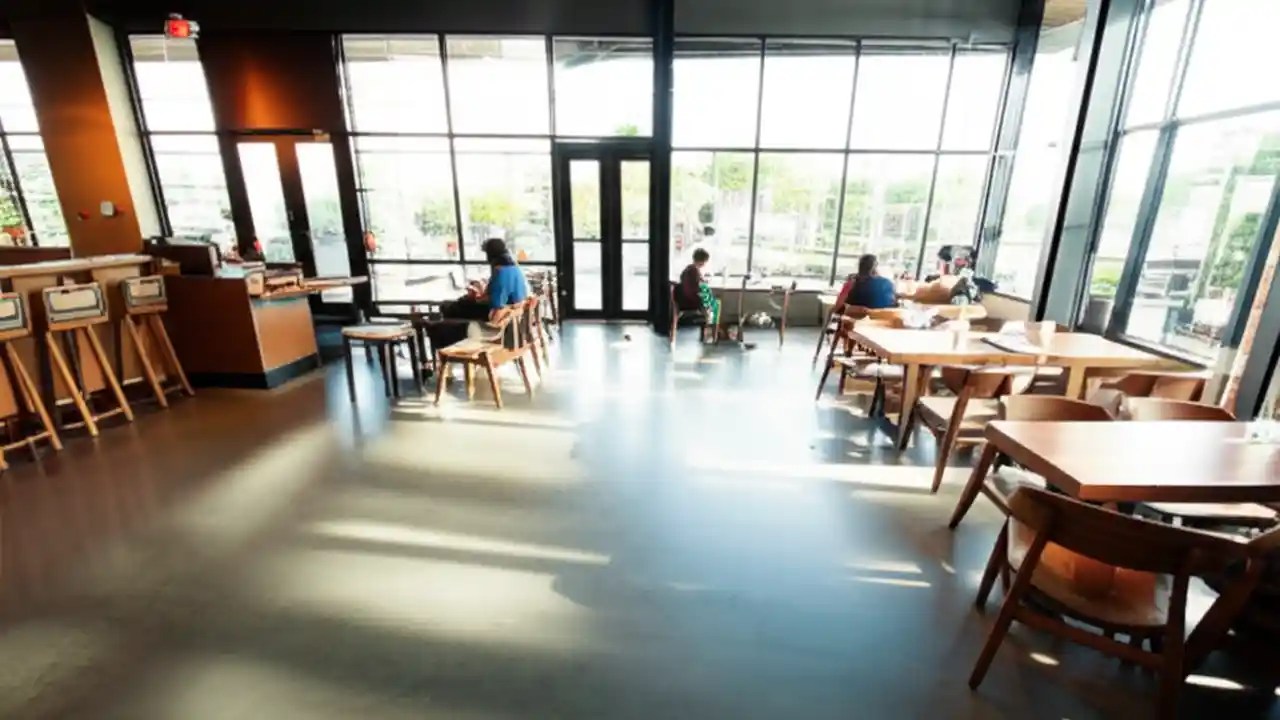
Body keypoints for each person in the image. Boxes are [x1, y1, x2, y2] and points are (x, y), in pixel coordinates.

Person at [425, 238, 529, 353]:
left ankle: (440, 345)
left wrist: (477, 300)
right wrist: (480, 297)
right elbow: (500, 297)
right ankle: (438, 335)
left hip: (498, 321)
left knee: (451, 308)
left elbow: (497, 306)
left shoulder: (501, 272)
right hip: (509, 316)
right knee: (456, 306)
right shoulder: (515, 268)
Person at [676, 248, 720, 326]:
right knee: (715, 302)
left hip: (684, 299)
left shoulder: (687, 269)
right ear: (702, 261)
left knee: (709, 298)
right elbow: (697, 287)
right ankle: (712, 325)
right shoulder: (694, 271)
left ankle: (708, 321)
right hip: (692, 300)